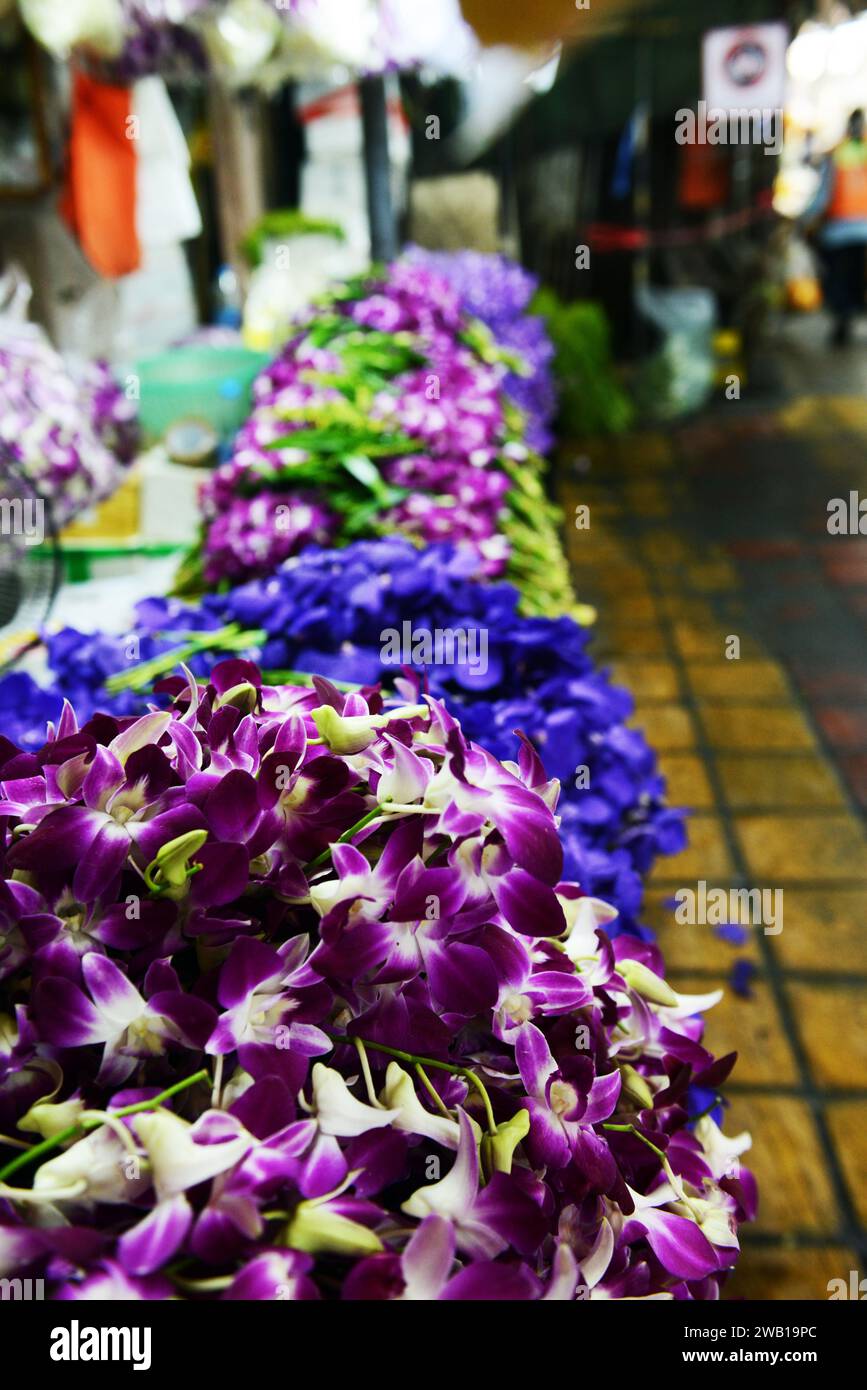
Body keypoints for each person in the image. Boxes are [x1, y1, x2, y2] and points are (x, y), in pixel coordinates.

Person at [811, 110, 867, 346]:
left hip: (837, 233)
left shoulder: (835, 154)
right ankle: (851, 314)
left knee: (838, 279)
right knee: (857, 279)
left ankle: (842, 319)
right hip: (863, 232)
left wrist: (807, 220)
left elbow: (823, 196)